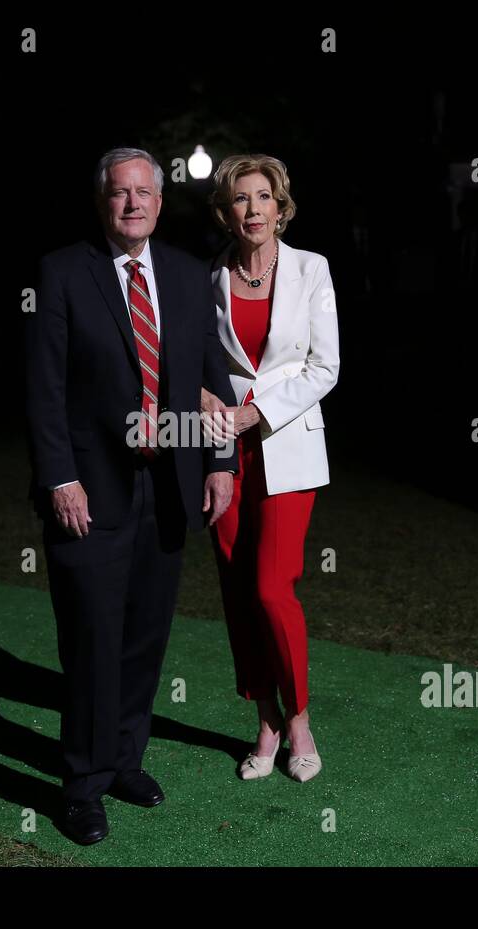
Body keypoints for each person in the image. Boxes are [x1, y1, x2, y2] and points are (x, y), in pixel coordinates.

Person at [26, 147, 237, 845]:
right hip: (91, 490)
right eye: (121, 193)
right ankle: (83, 785)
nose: (134, 203)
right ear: (102, 201)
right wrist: (60, 477)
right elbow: (44, 389)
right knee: (91, 639)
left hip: (169, 488)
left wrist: (220, 461)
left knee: (145, 638)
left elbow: (213, 371)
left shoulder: (183, 273)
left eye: (145, 192)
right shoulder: (62, 273)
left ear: (160, 200)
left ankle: (124, 762)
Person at [200, 155, 340, 783]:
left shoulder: (312, 270)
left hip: (287, 448)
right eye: (239, 199)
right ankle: (265, 719)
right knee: (236, 591)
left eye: (263, 198)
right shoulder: (209, 277)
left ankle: (301, 719)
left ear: (281, 207)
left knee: (270, 587)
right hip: (224, 453)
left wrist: (256, 411)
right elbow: (201, 362)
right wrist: (206, 402)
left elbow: (325, 367)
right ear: (226, 212)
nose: (252, 210)